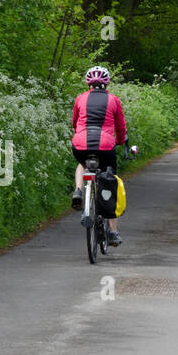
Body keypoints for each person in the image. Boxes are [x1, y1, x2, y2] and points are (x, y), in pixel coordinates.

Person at [71, 66, 127, 246]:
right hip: (105, 144)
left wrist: (80, 135)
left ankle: (78, 190)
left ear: (88, 83)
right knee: (110, 178)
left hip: (81, 142)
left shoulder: (80, 98)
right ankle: (113, 232)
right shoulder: (113, 100)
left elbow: (74, 122)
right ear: (107, 82)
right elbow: (120, 127)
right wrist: (119, 141)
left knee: (82, 164)